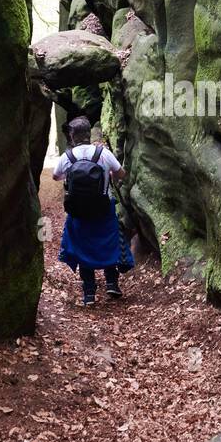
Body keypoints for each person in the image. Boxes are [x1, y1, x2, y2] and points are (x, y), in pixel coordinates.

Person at [52, 116, 132, 305]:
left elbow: (55, 176)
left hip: (78, 212)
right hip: (104, 209)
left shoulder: (68, 157)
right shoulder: (102, 153)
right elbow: (122, 174)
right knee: (108, 244)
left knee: (83, 249)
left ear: (72, 136)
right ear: (89, 134)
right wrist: (108, 173)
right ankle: (112, 284)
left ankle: (89, 293)